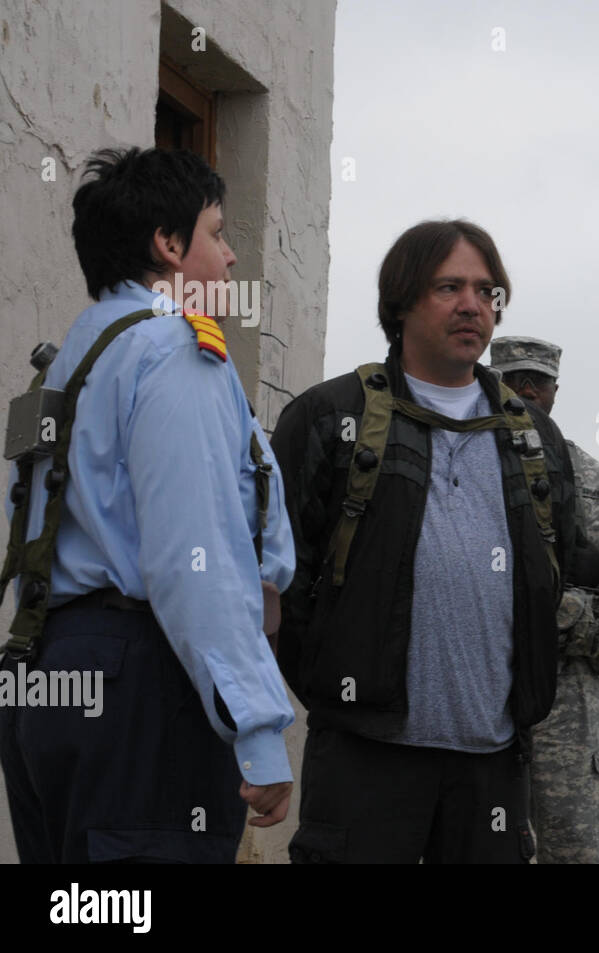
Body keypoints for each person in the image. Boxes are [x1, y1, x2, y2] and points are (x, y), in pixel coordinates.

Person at [0, 146, 296, 863]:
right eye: (218, 233)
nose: (229, 259)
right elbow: (195, 555)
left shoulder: (77, 355)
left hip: (48, 672)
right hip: (143, 683)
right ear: (167, 244)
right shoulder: (173, 347)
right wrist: (256, 725)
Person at [272, 220, 594, 864]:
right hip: (364, 757)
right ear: (401, 303)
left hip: (494, 763)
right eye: (449, 287)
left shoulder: (534, 436)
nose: (473, 304)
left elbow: (558, 572)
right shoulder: (331, 416)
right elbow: (277, 579)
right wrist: (334, 688)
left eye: (487, 290)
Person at [491, 336, 599, 864]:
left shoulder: (595, 481)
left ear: (557, 390)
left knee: (573, 849)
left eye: (539, 382)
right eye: (516, 381)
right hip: (482, 688)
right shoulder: (464, 461)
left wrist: (595, 570)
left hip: (568, 700)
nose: (529, 391)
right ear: (492, 383)